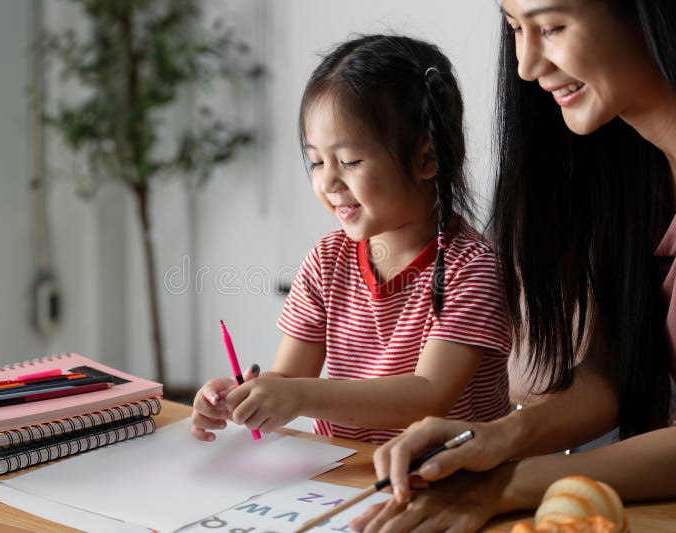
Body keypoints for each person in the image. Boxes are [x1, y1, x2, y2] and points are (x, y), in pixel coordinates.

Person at [350, 0, 676, 531]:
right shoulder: (631, 165)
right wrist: (492, 438)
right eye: (516, 28)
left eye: (553, 27)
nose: (526, 64)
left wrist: (502, 486)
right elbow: (606, 381)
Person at [190, 34, 511, 445]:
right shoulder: (327, 261)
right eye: (317, 161)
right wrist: (243, 397)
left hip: (449, 480)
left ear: (427, 159)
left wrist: (298, 395)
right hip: (347, 475)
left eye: (349, 161)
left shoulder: (471, 269)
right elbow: (289, 378)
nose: (328, 181)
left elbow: (428, 395)